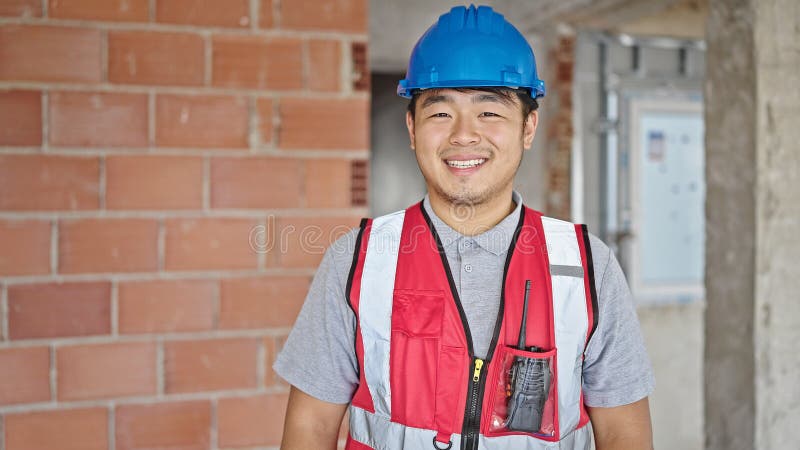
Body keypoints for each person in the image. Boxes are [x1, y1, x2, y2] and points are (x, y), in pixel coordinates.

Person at [275, 5, 654, 449]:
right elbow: (310, 428)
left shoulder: (586, 266)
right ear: (412, 126)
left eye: (489, 112)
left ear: (528, 127)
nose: (464, 135)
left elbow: (624, 433)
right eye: (440, 113)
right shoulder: (356, 261)